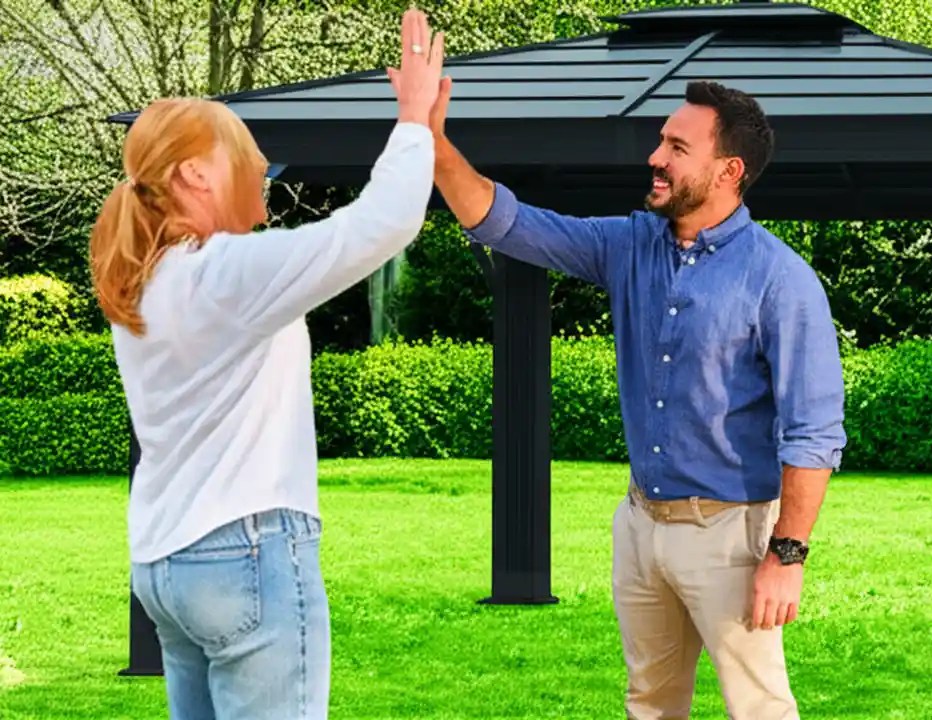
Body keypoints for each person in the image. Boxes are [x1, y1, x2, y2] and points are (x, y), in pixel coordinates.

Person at [427, 75, 847, 719]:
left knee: (759, 708)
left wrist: (785, 557)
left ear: (728, 170)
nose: (656, 157)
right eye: (661, 141)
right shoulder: (627, 245)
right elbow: (504, 222)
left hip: (730, 535)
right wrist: (431, 137)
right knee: (650, 702)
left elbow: (813, 434)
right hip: (641, 525)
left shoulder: (779, 280)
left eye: (678, 147)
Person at [87, 10, 444, 719]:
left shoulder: (144, 281)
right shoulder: (222, 273)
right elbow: (381, 225)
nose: (259, 166)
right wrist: (413, 121)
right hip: (245, 553)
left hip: (168, 565)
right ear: (194, 174)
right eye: (244, 153)